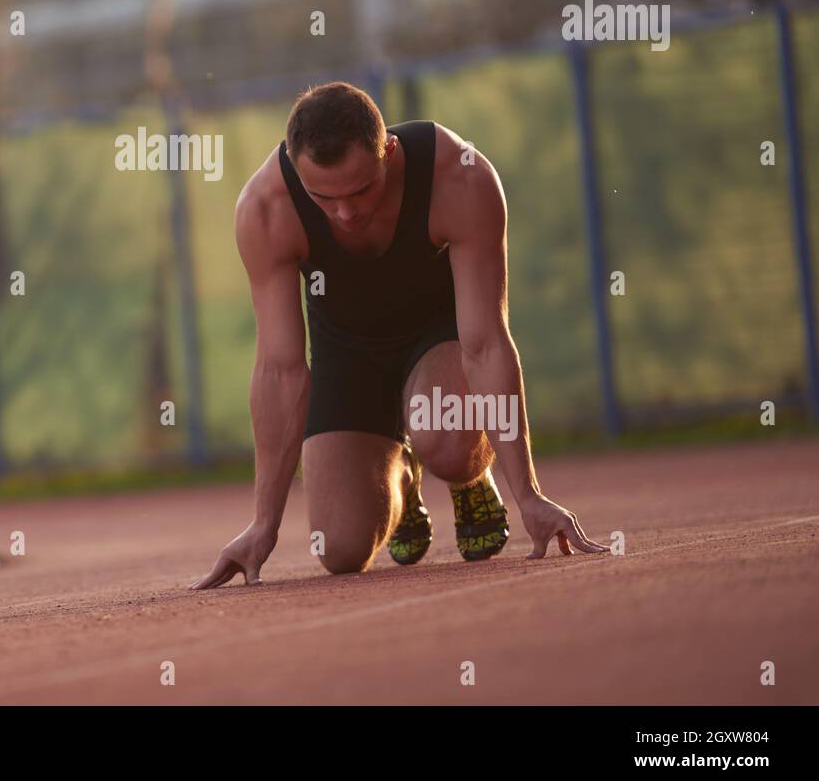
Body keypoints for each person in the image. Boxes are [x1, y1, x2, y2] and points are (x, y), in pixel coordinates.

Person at [193, 82, 607, 588]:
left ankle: (466, 476)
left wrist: (530, 495)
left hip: (440, 338)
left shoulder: (459, 177)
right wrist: (264, 524)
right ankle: (403, 474)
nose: (346, 213)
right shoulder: (265, 208)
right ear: (297, 173)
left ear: (388, 150)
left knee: (445, 440)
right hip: (346, 351)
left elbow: (486, 342)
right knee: (340, 549)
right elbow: (280, 369)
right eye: (324, 197)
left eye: (361, 190)